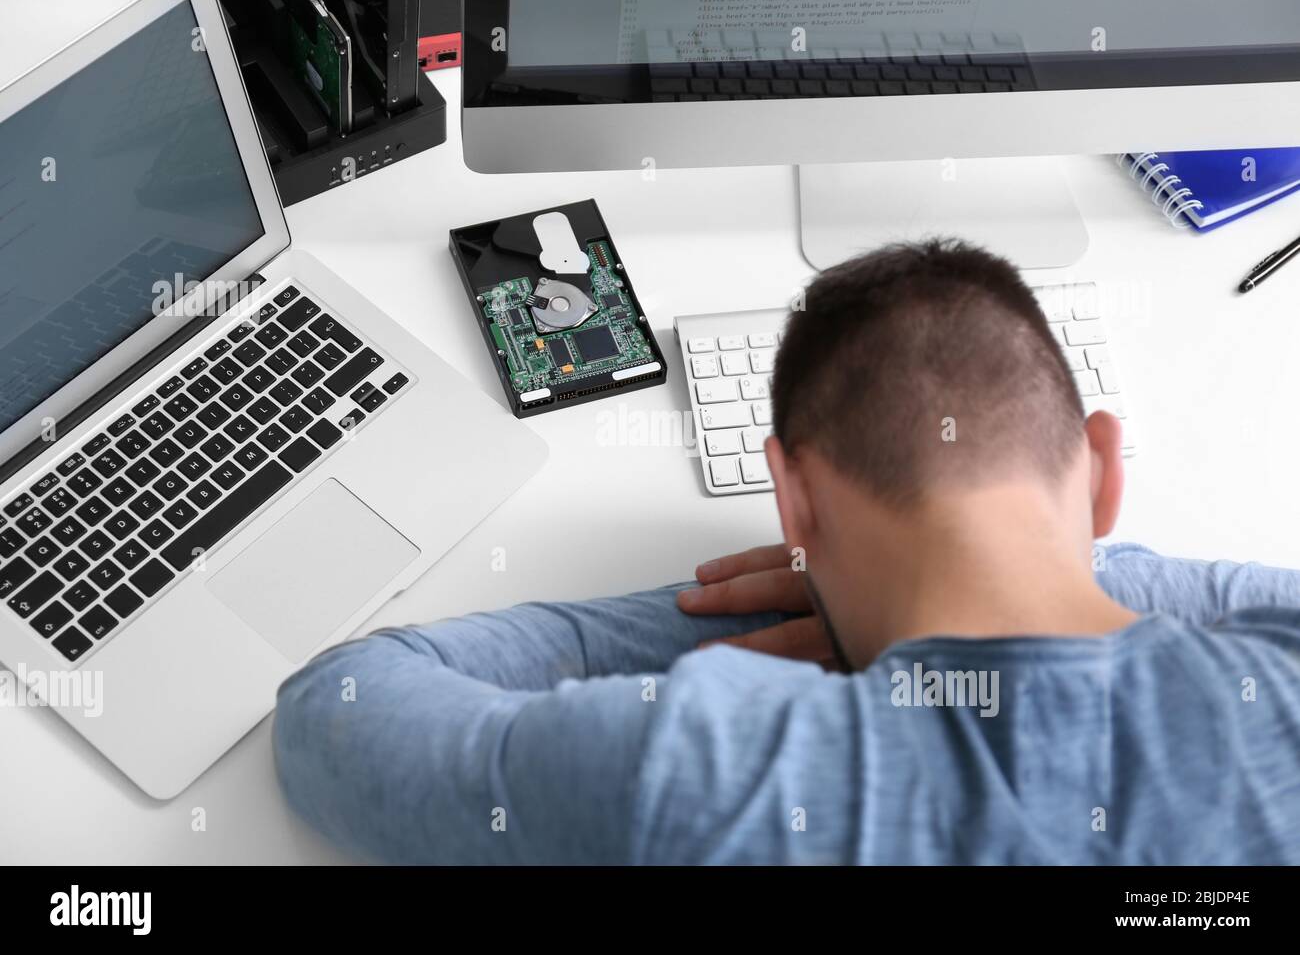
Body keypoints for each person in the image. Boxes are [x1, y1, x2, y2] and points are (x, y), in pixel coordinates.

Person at [272, 240, 1300, 864]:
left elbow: (335, 709)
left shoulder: (705, 773)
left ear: (791, 497)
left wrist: (834, 599)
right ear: (1106, 469)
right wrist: (1049, 574)